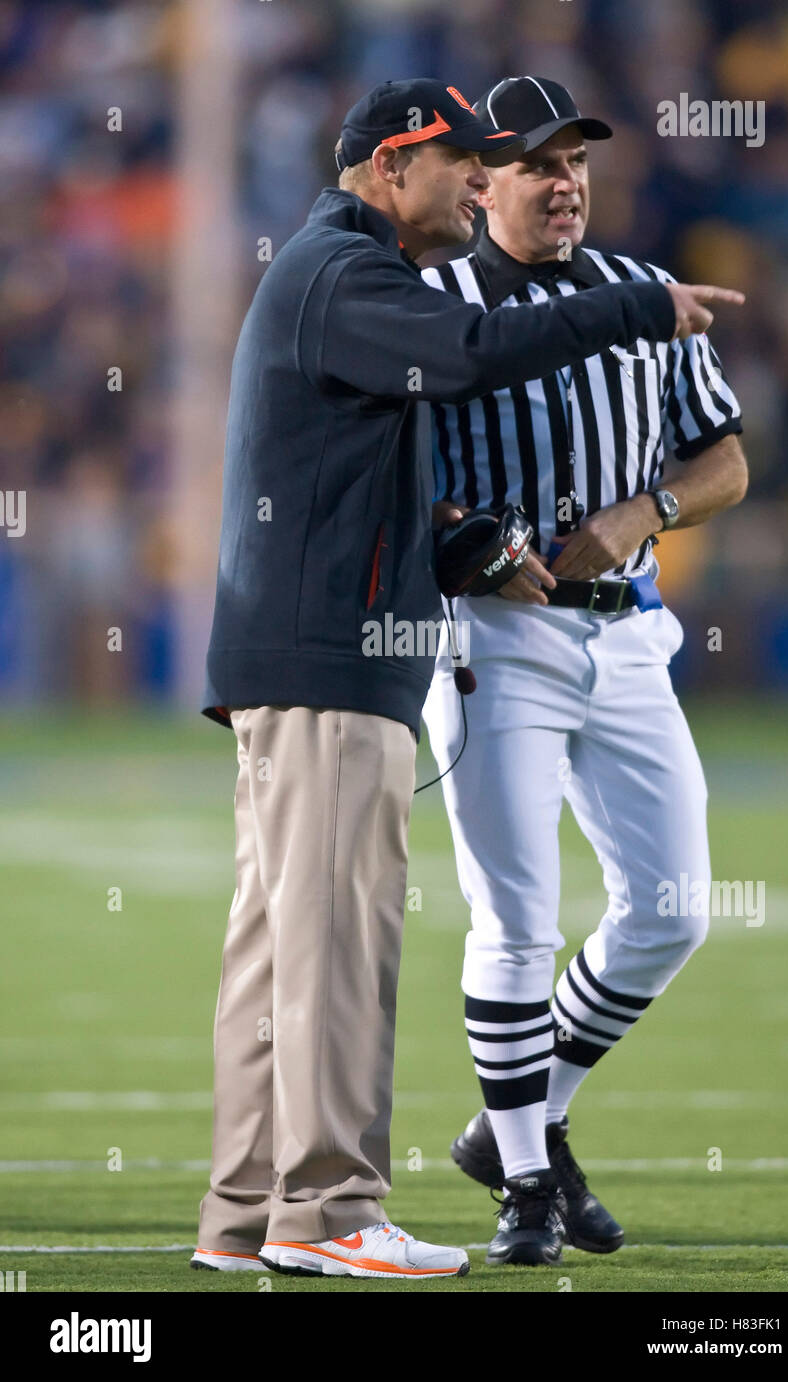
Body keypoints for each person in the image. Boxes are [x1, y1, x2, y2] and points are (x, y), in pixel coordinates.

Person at [193, 77, 743, 1281]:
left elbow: (717, 453)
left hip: (393, 645)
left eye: (560, 159)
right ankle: (330, 1209)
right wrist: (643, 306)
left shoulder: (338, 267)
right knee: (345, 939)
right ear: (399, 166)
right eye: (475, 163)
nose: (511, 179)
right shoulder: (362, 275)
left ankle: (248, 1213)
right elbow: (472, 349)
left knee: (282, 951)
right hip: (363, 653)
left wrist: (568, 514)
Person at [421, 76, 749, 1266]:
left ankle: (520, 1121)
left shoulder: (635, 292)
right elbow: (389, 470)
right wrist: (461, 527)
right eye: (536, 164)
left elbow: (724, 463)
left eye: (577, 162)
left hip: (626, 629)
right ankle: (523, 1187)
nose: (564, 183)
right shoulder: (431, 300)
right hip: (491, 637)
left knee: (669, 911)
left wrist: (641, 508)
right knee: (514, 916)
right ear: (480, 183)